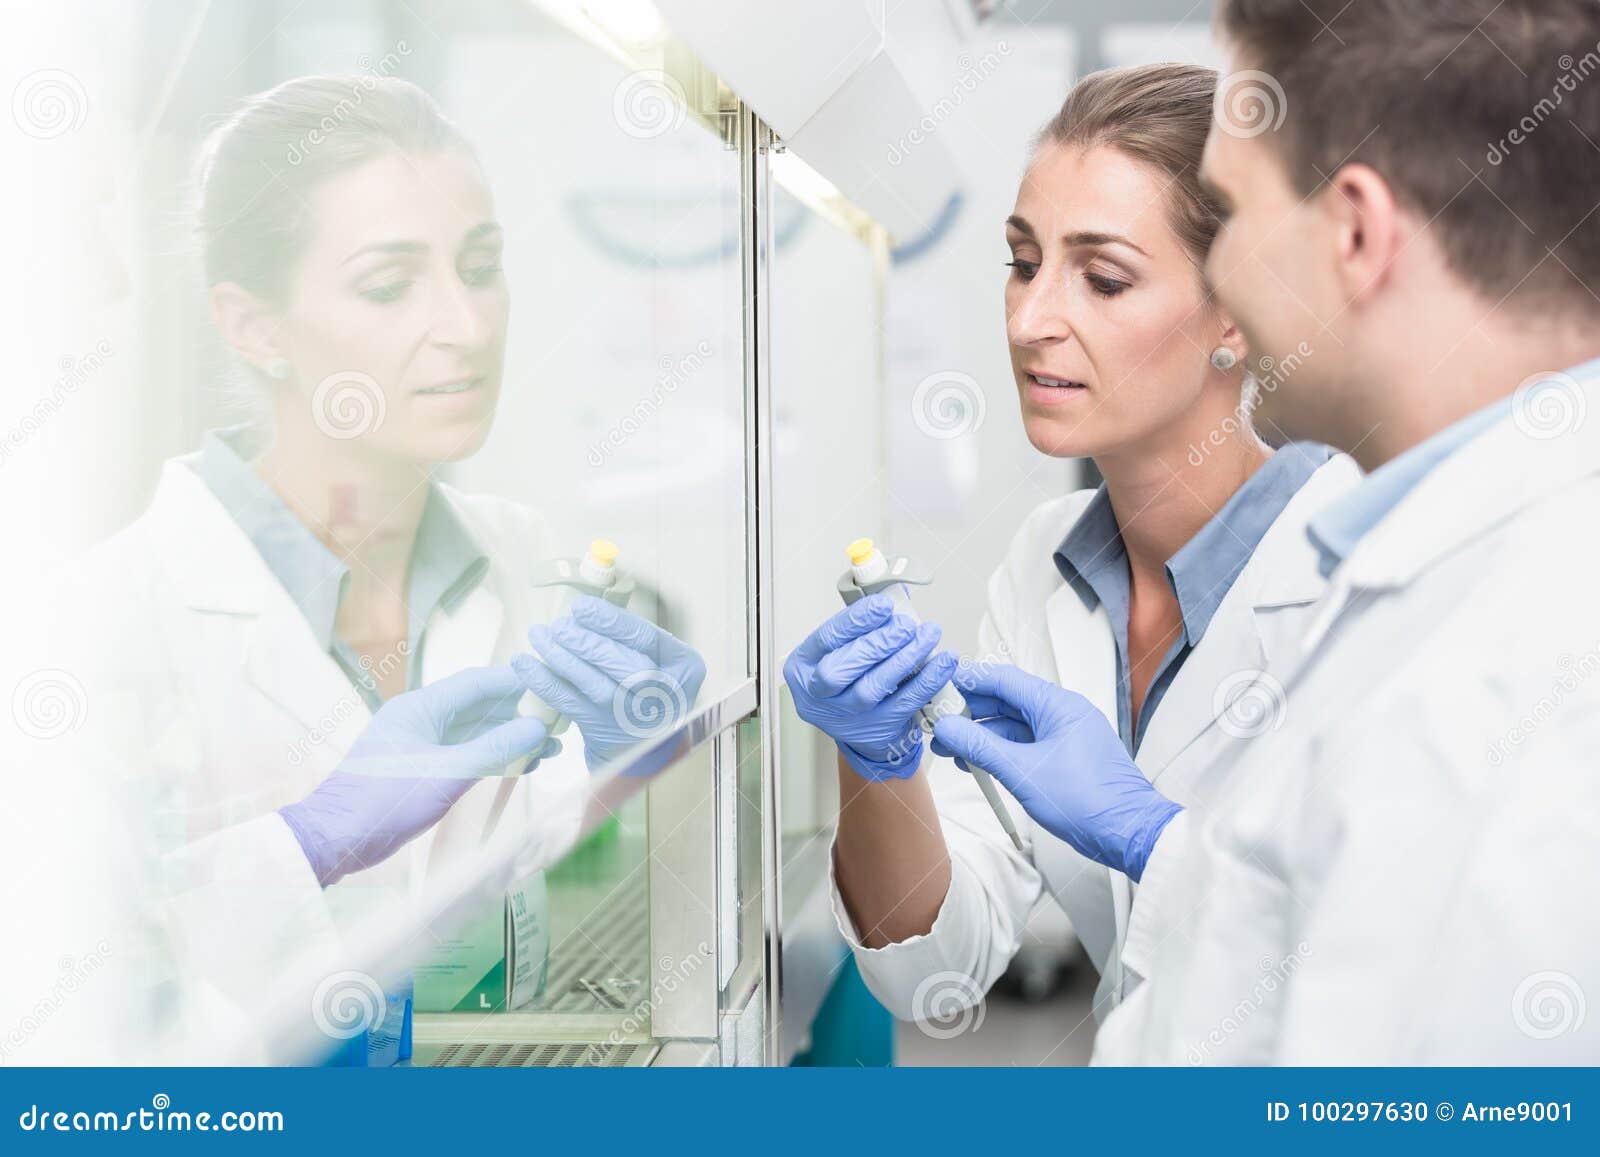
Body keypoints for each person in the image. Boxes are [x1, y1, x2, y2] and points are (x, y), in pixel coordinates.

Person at [931, 0, 1600, 1062]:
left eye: (1233, 217)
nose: (1226, 278)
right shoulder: (1439, 571)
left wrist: (1156, 845)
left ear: (1354, 234)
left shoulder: (1522, 654)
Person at [68, 75, 704, 1027]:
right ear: (254, 326)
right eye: (389, 283)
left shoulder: (518, 554)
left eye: (480, 266)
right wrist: (310, 842)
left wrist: (641, 775)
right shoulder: (101, 620)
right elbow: (79, 1007)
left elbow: (534, 911)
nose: (467, 326)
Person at [783, 64, 1359, 1024]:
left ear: (1238, 314)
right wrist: (872, 763)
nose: (1028, 318)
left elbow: (1398, 966)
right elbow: (937, 973)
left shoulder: (1353, 575)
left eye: (1102, 277)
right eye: (1022, 261)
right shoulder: (1047, 561)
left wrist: (1150, 838)